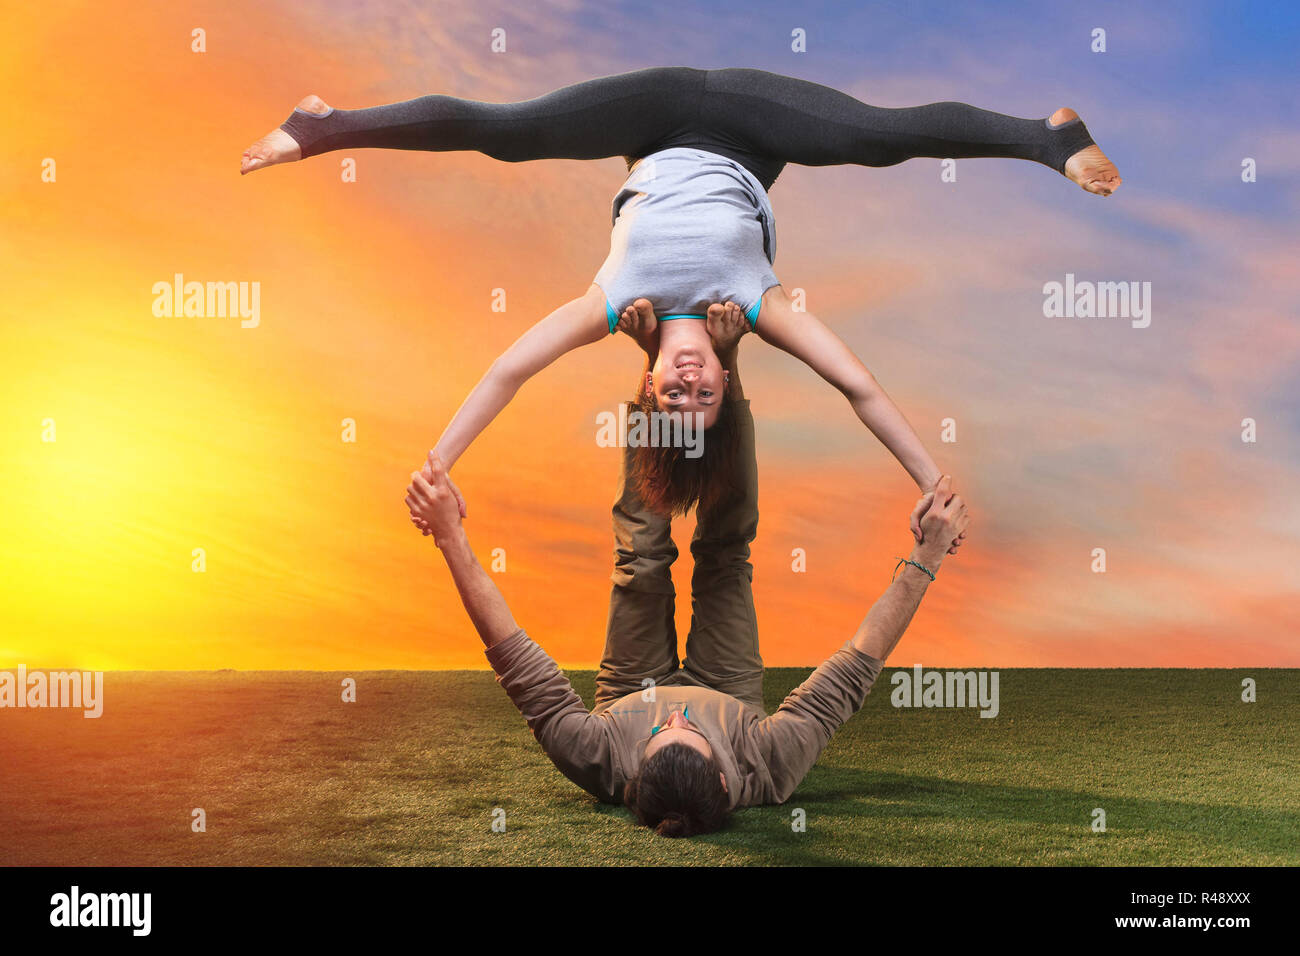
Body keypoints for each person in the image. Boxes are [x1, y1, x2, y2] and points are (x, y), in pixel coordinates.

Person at [245, 66, 1119, 524]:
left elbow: (507, 372)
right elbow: (857, 387)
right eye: (705, 397)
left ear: (649, 380)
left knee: (509, 135)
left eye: (676, 395)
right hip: (754, 128)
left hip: (651, 117)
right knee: (875, 138)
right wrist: (930, 480)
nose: (692, 386)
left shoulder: (610, 300)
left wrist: (439, 464)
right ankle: (1049, 140)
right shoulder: (757, 306)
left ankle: (325, 125)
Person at [403, 301, 971, 836]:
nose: (673, 714)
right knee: (725, 556)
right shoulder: (769, 765)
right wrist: (928, 556)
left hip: (628, 687)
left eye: (659, 732)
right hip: (728, 689)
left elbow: (510, 653)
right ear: (727, 781)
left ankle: (656, 364)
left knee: (642, 558)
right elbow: (856, 666)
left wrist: (449, 535)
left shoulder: (592, 756)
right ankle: (724, 359)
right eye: (689, 731)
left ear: (629, 781)